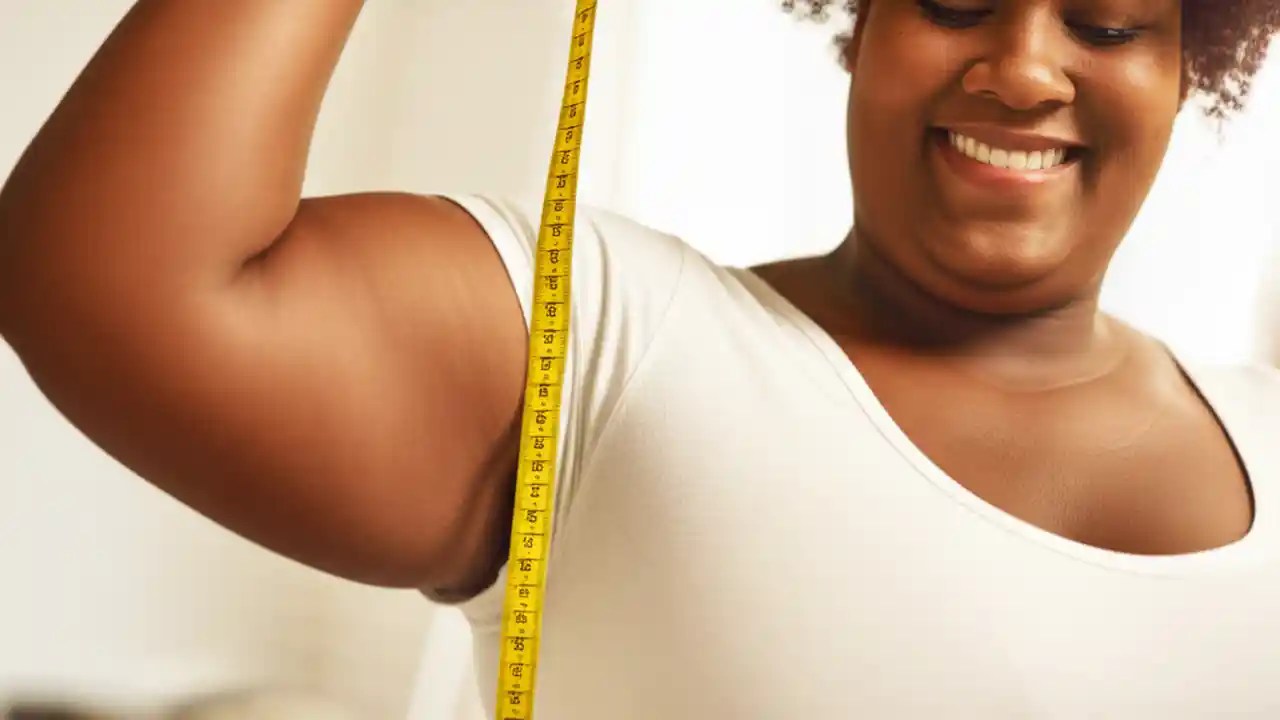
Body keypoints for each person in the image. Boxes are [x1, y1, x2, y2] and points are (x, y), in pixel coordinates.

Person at [2, 0, 1280, 716]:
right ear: (861, 24)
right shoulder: (609, 341)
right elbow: (112, 278)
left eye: (1106, 19)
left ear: (1189, 68)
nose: (1021, 69)